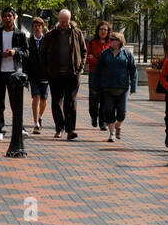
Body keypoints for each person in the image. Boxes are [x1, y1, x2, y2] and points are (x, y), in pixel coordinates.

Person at [38, 8, 87, 140]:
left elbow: (84, 51)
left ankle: (71, 130)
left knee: (71, 102)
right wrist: (47, 70)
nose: (64, 24)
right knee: (57, 102)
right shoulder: (50, 35)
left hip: (72, 73)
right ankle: (59, 128)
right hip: (55, 74)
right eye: (62, 21)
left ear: (70, 20)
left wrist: (80, 68)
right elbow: (42, 54)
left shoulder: (77, 33)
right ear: (58, 20)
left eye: (66, 21)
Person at [0, 6, 33, 140]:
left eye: (10, 16)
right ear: (2, 18)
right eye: (5, 16)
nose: (7, 18)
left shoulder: (20, 34)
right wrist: (0, 54)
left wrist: (15, 53)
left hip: (15, 73)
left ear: (14, 18)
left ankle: (19, 127)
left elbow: (27, 53)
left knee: (16, 102)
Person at [96, 31, 136, 142]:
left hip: (122, 88)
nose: (111, 41)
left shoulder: (127, 54)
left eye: (113, 39)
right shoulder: (105, 54)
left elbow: (133, 70)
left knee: (122, 113)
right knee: (108, 110)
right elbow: (98, 70)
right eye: (110, 39)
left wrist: (133, 86)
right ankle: (112, 133)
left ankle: (118, 125)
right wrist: (95, 86)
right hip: (107, 87)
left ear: (119, 41)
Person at [87, 21, 113, 131]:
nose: (103, 31)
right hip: (94, 74)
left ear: (108, 32)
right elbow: (88, 58)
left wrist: (96, 60)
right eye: (101, 29)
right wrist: (98, 61)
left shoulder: (111, 44)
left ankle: (103, 122)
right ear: (98, 31)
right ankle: (94, 116)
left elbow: (111, 60)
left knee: (104, 99)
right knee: (93, 98)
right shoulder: (92, 43)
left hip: (107, 75)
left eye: (105, 29)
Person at [28, 17, 50, 133]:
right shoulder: (28, 42)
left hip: (45, 75)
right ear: (32, 28)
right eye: (35, 26)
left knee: (43, 99)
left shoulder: (47, 41)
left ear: (42, 27)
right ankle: (36, 123)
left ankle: (40, 116)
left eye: (39, 26)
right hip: (33, 75)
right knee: (35, 97)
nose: (37, 28)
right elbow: (26, 59)